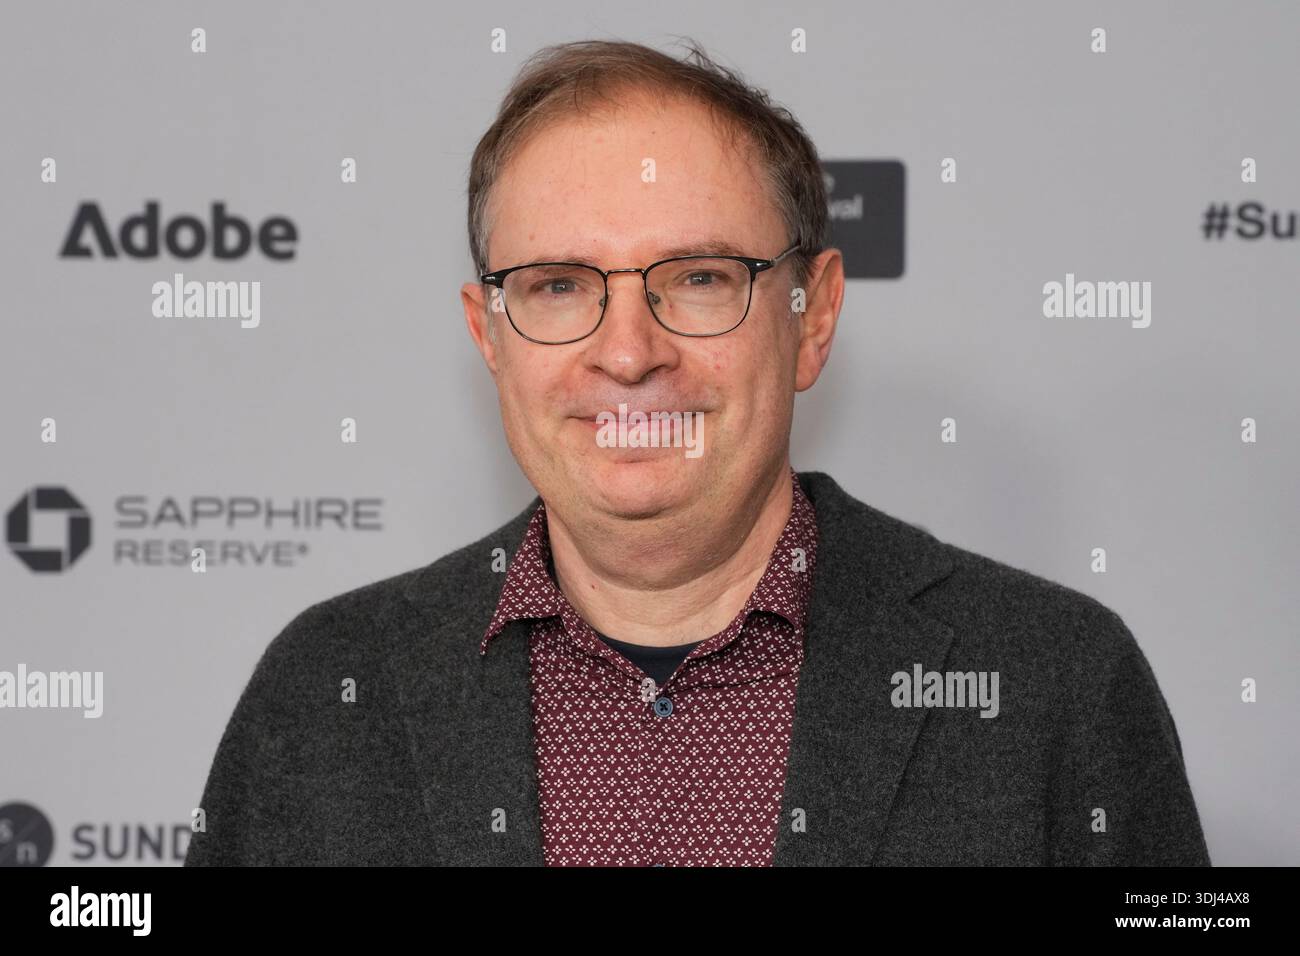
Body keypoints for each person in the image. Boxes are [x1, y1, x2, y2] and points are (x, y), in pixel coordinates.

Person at [185, 38, 1209, 866]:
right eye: (557, 285)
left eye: (701, 278)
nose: (628, 352)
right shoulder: (324, 690)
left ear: (812, 317)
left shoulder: (1051, 680)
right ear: (487, 333)